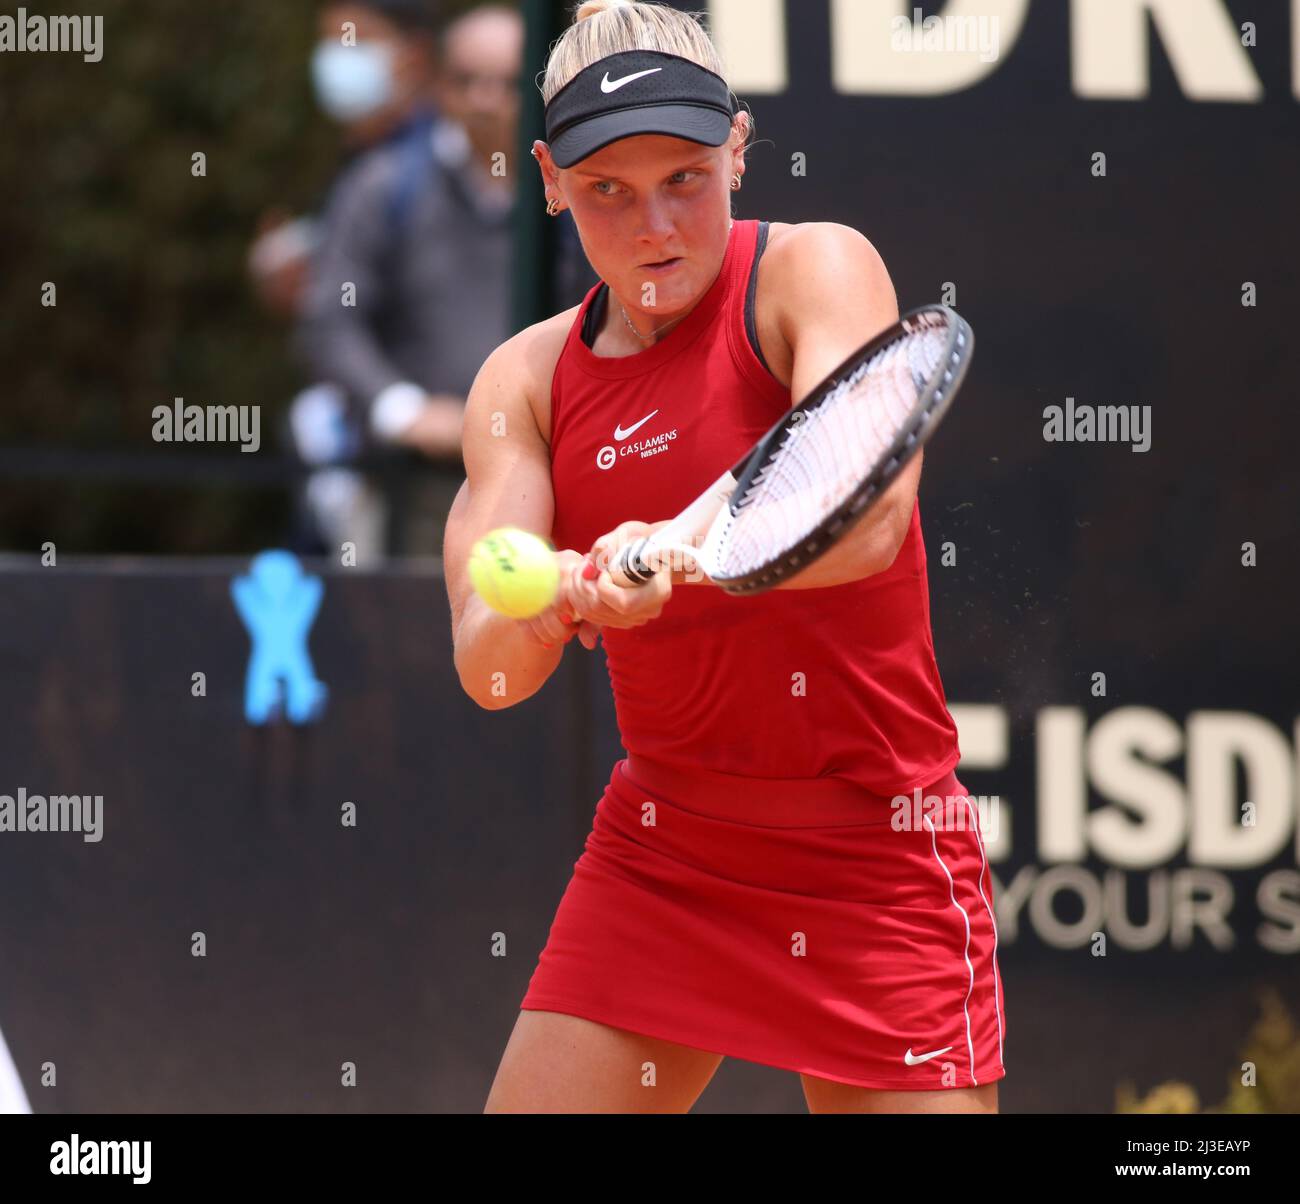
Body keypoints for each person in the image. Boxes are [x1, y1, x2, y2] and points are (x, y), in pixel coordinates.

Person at [444, 0, 1005, 1114]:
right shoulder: (522, 380)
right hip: (663, 855)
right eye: (607, 188)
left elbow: (871, 520)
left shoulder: (816, 270)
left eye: (686, 178)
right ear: (549, 179)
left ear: (739, 149)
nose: (654, 224)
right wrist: (560, 598)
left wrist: (678, 548)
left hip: (874, 850)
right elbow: (488, 670)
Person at [297, 2, 525, 555]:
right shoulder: (383, 186)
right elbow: (329, 323)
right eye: (467, 81)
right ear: (441, 85)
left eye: (508, 83)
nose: (485, 100)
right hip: (414, 488)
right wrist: (404, 410)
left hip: (546, 477)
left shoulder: (584, 200)